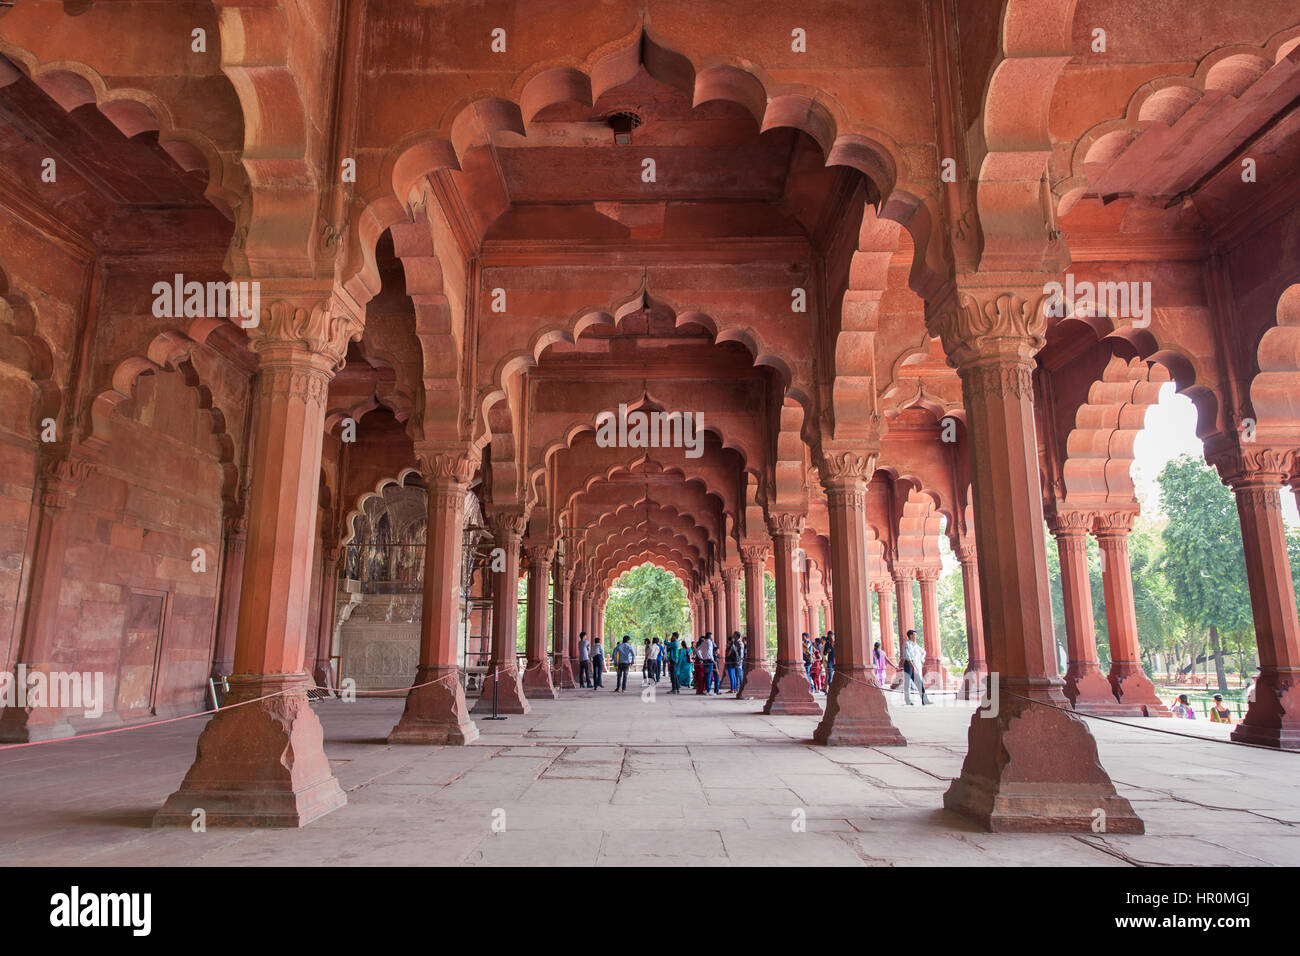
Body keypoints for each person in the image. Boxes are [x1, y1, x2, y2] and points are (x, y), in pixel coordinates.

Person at [901, 629, 929, 705]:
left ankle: (924, 700)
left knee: (919, 682)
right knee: (907, 683)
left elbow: (923, 652)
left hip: (914, 664)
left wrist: (920, 659)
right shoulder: (906, 644)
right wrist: (913, 667)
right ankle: (907, 700)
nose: (916, 636)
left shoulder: (915, 645)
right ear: (910, 636)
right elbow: (908, 656)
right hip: (908, 665)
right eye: (914, 635)